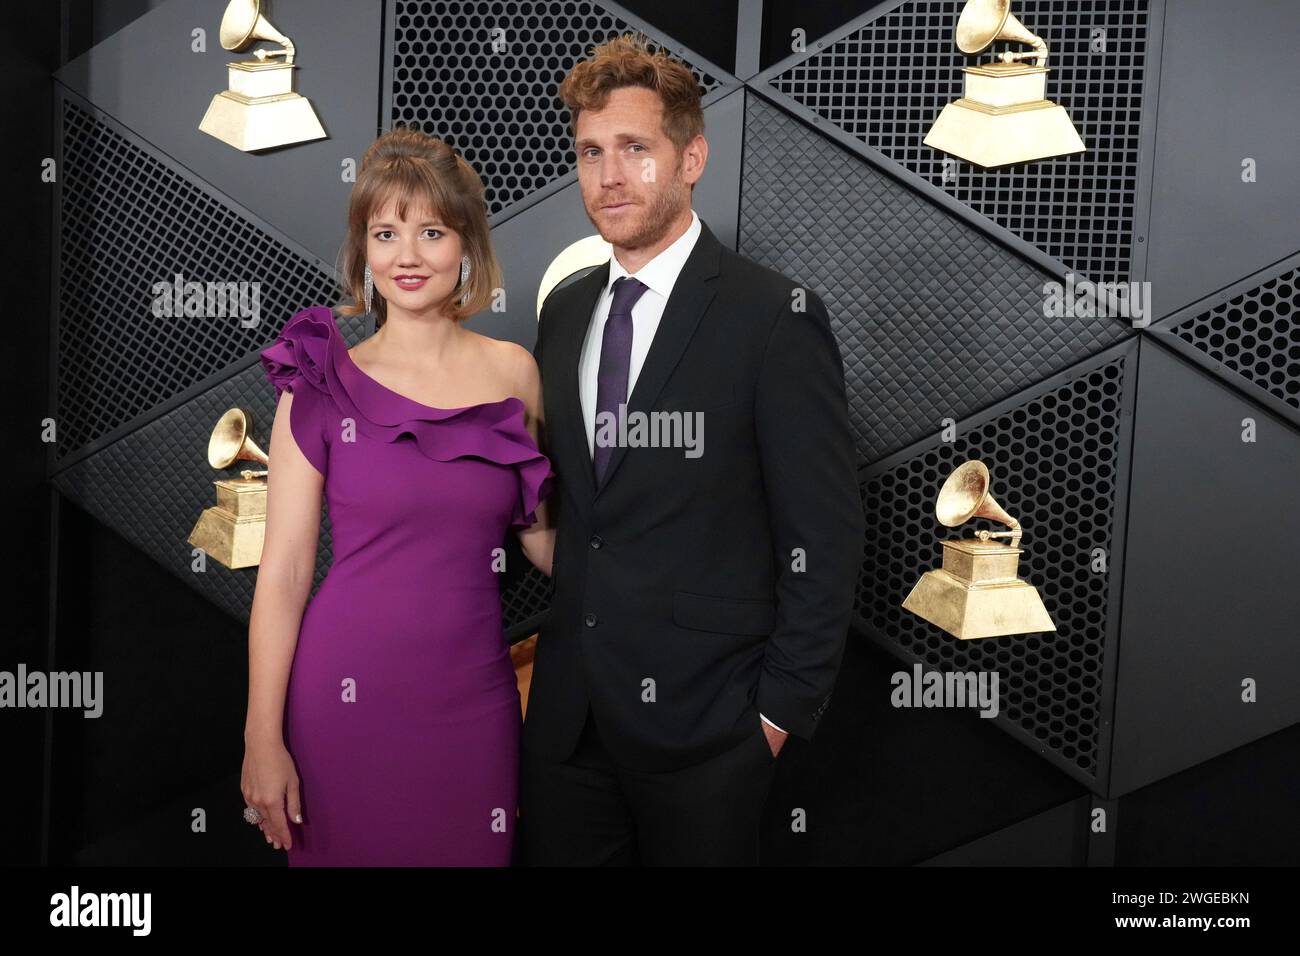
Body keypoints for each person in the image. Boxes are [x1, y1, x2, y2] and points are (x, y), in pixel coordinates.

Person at [519, 33, 864, 865]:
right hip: (569, 731)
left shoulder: (774, 318)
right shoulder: (565, 311)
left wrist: (774, 718)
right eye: (591, 152)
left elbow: (826, 536)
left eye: (635, 149)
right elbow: (585, 514)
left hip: (710, 736)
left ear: (691, 157)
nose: (609, 176)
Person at [240, 128, 555, 865]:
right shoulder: (318, 381)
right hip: (342, 704)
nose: (407, 256)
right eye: (385, 233)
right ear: (363, 250)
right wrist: (262, 735)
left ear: (467, 244)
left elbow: (545, 542)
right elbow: (283, 574)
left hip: (472, 704)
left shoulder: (515, 374)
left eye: (431, 231)